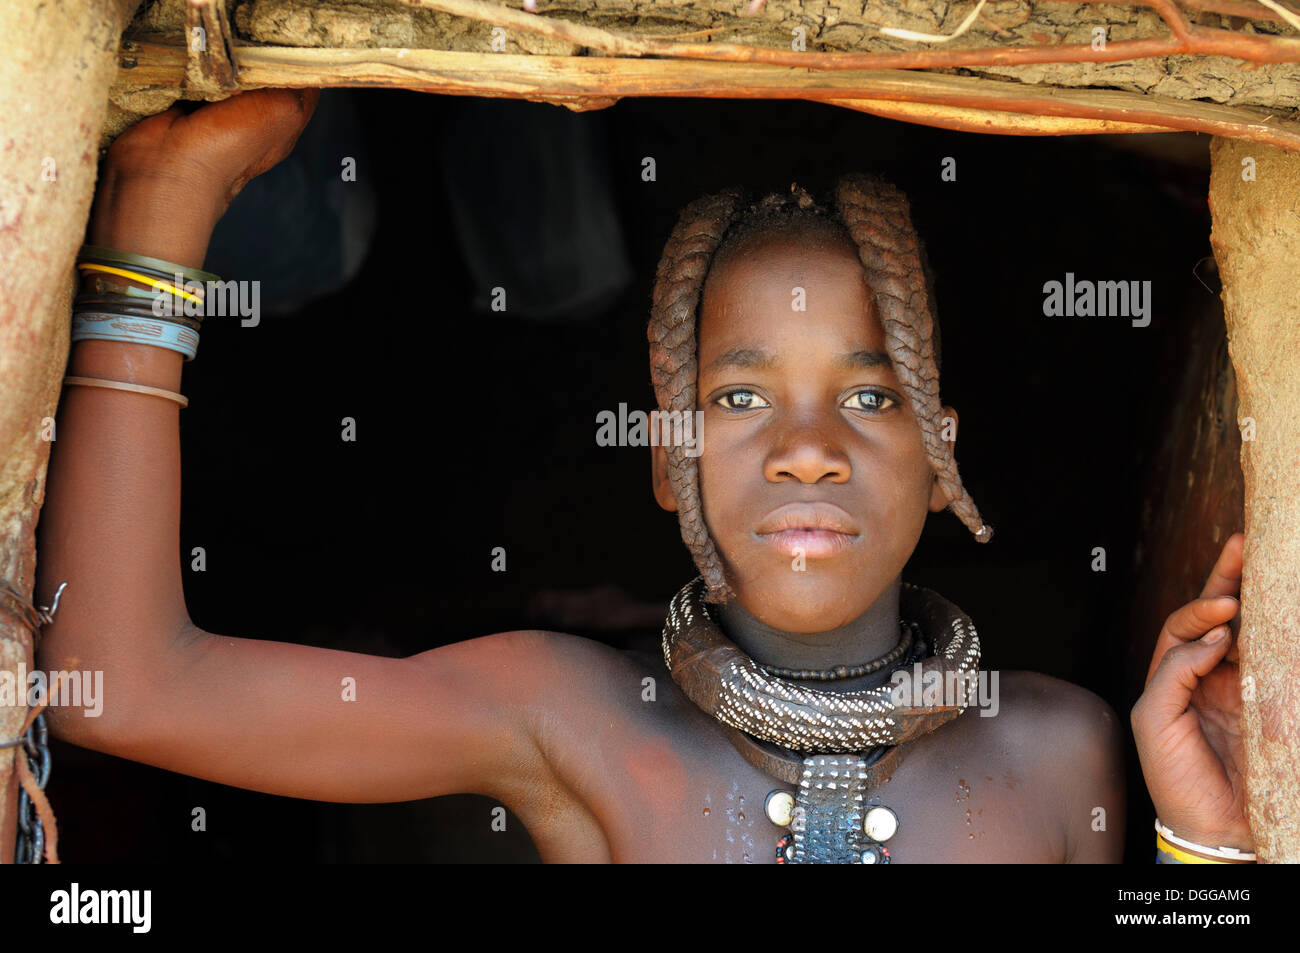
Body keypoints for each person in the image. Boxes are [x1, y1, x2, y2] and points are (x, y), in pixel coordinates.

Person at [33, 89, 1250, 863]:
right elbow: (126, 687)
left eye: (870, 395)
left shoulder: (1064, 748)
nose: (807, 444)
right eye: (737, 396)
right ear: (669, 459)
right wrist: (158, 215)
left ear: (941, 455)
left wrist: (1204, 843)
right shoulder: (570, 721)